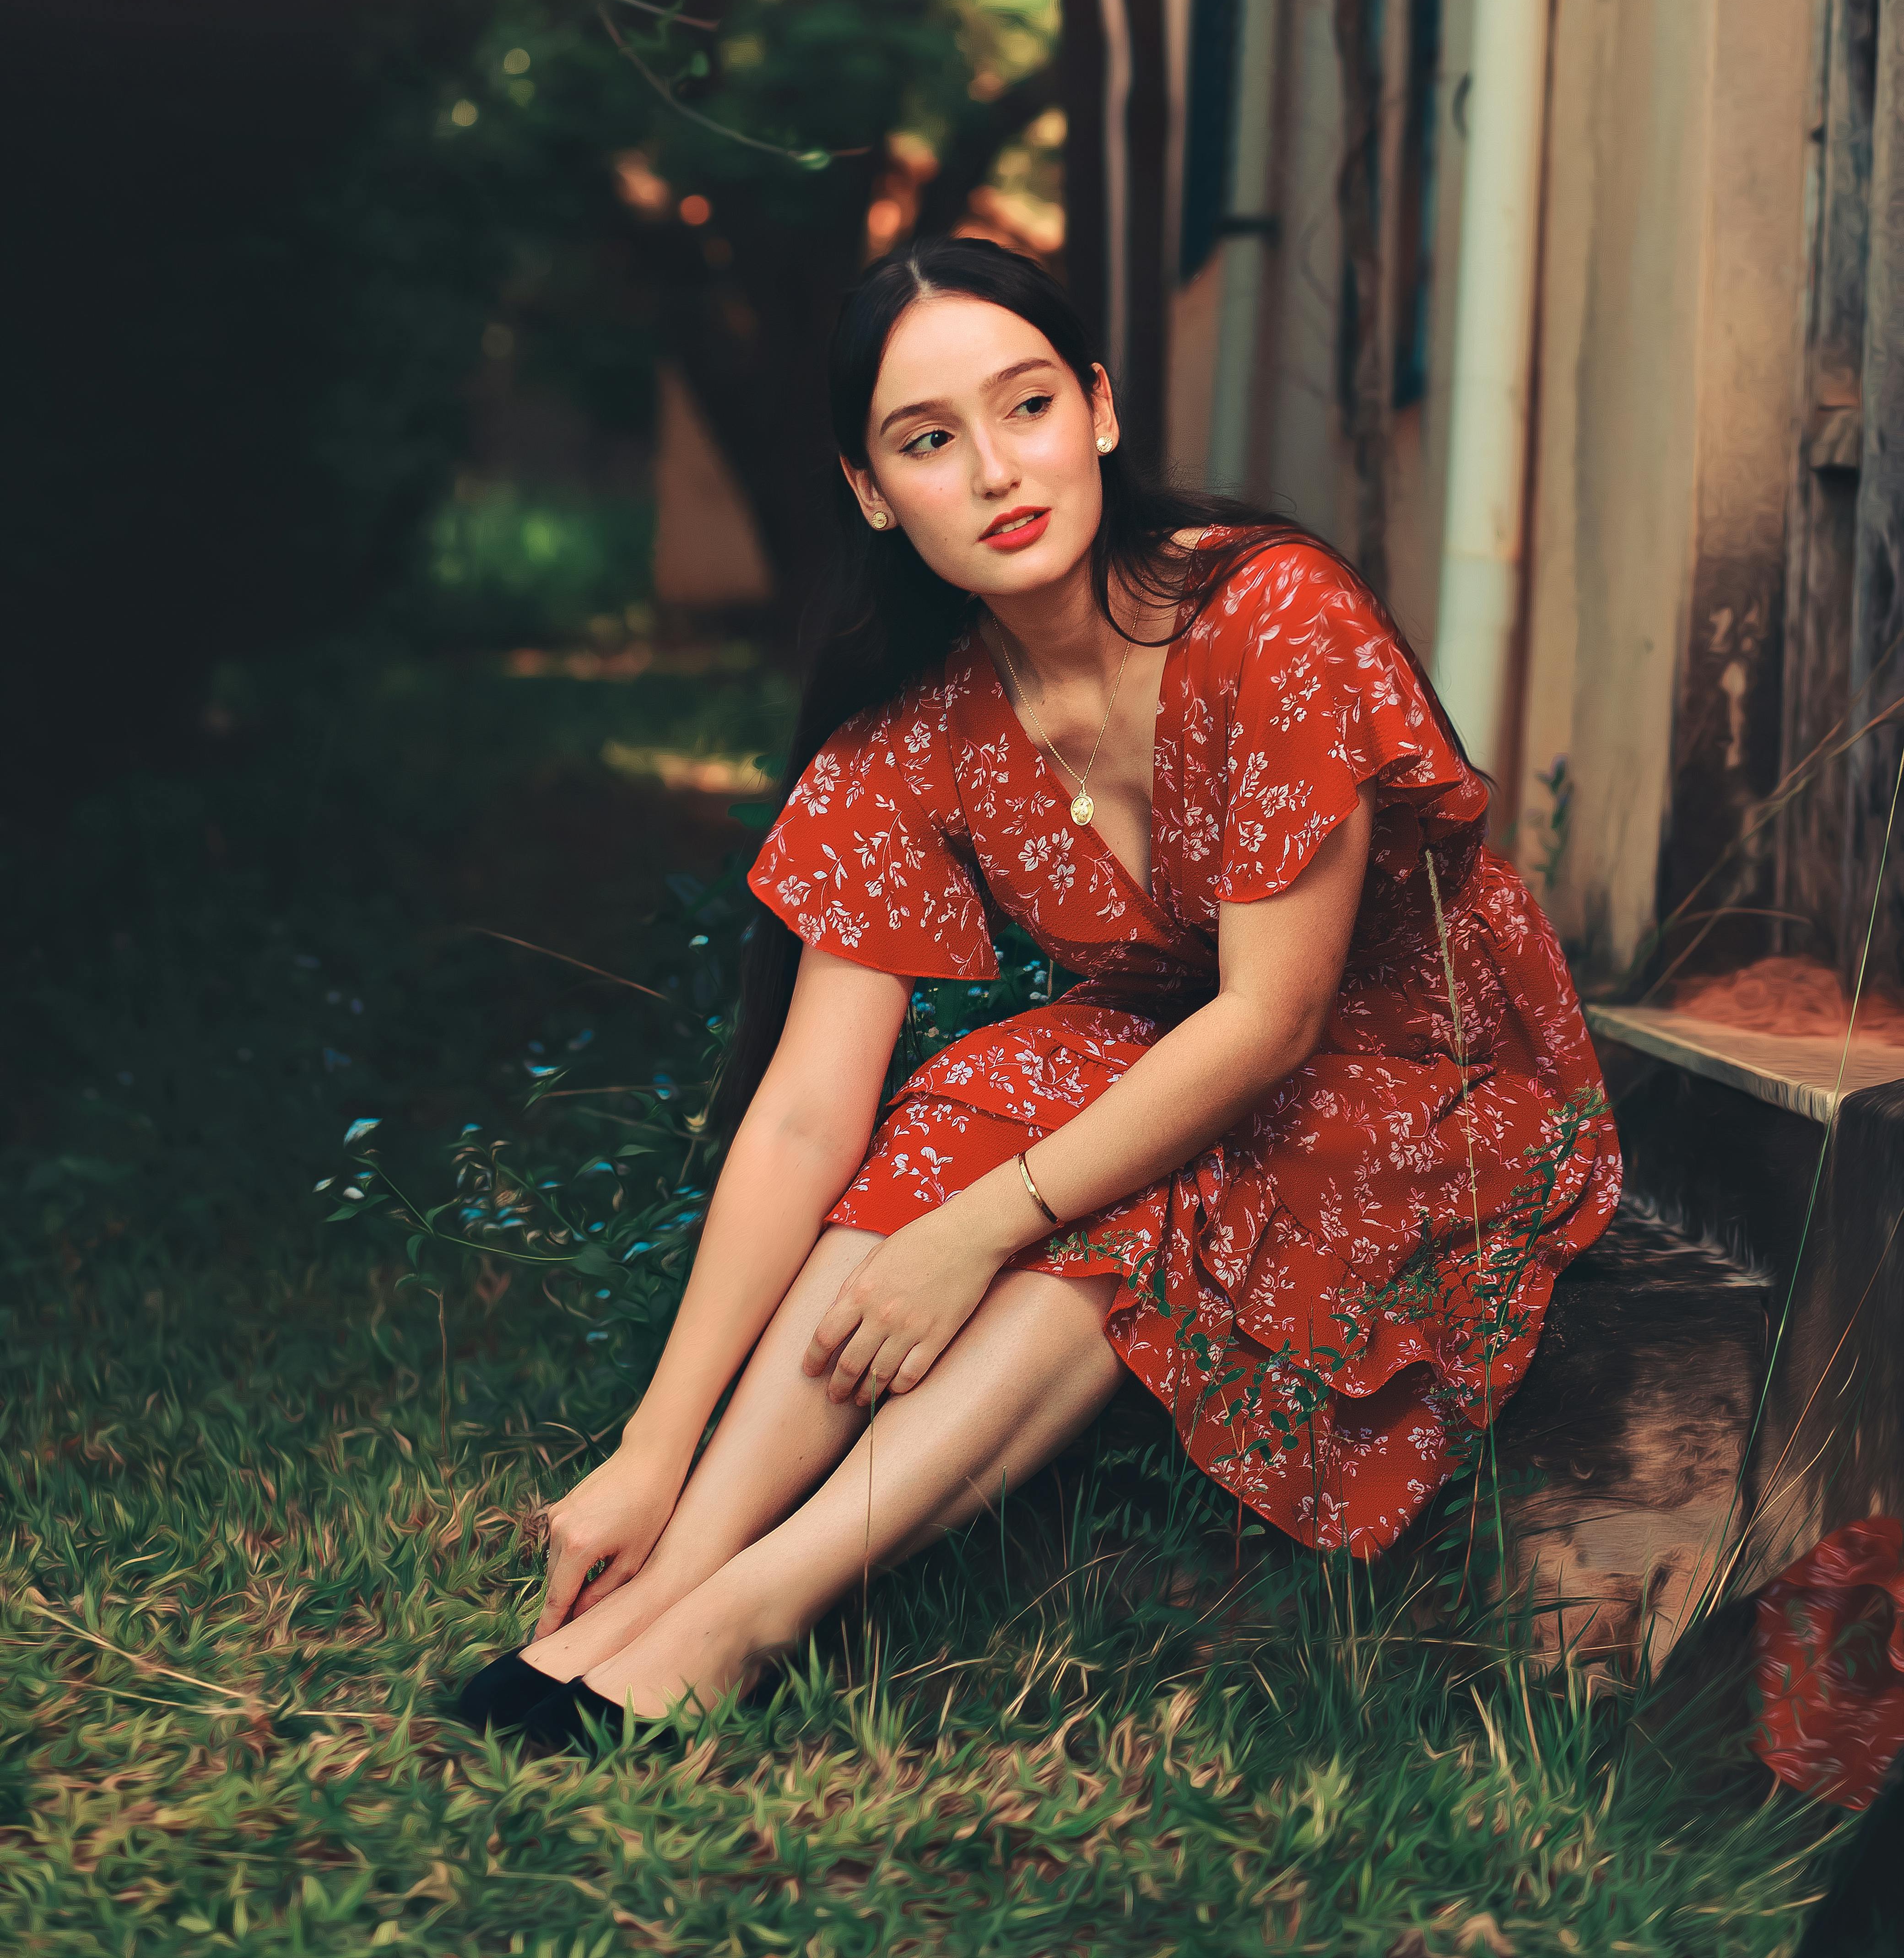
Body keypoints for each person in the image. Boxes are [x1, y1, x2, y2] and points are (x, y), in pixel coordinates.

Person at [455, 238, 1621, 1747]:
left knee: (1103, 1188)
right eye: (929, 441)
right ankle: (667, 1578)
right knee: (974, 1095)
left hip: (1421, 1078)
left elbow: (1270, 1023)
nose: (998, 470)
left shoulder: (1272, 615)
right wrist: (651, 1447)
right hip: (1176, 1069)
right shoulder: (921, 733)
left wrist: (977, 1230)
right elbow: (812, 1109)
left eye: (1027, 408)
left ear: (1101, 410)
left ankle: (752, 1617)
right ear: (872, 491)